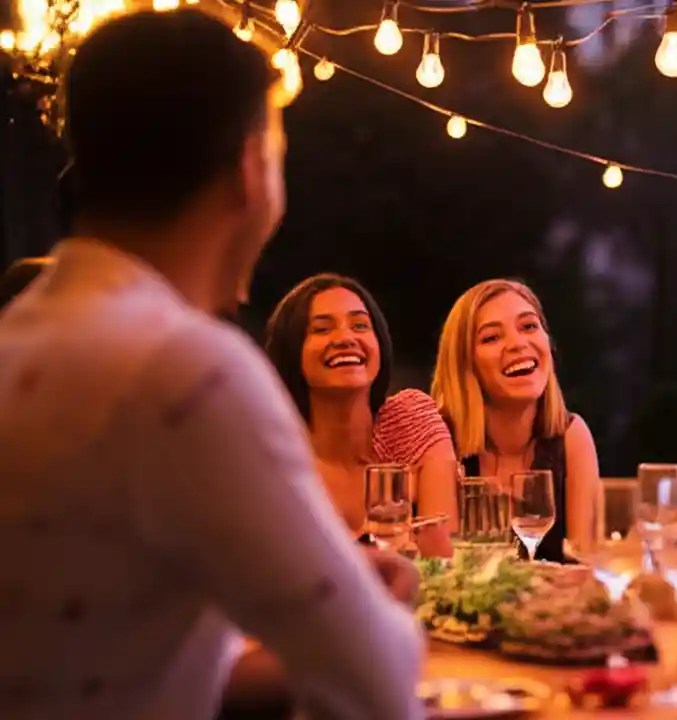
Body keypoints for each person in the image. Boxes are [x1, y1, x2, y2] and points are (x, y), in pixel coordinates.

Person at [0, 10, 421, 719]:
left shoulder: (21, 339)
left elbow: (116, 655)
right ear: (253, 171)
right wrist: (374, 609)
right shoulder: (186, 371)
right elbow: (374, 684)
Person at [265, 273, 458, 548]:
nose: (345, 338)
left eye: (360, 325)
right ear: (291, 352)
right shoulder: (280, 457)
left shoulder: (409, 421)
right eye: (321, 329)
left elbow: (443, 555)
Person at [431, 278, 598, 562]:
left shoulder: (572, 435)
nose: (518, 344)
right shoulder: (438, 439)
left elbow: (587, 564)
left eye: (529, 326)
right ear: (465, 364)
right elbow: (442, 572)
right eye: (492, 337)